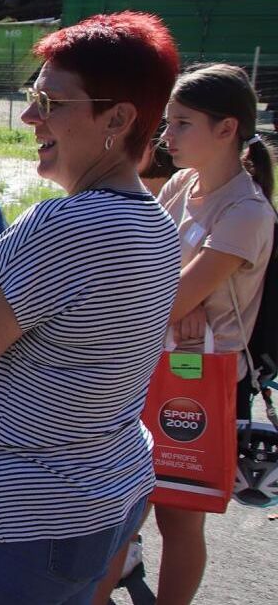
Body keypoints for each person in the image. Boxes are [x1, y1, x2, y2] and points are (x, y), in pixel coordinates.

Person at [0, 12, 182, 604]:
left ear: (117, 118)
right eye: (32, 96)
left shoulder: (63, 224)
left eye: (51, 102)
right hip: (108, 491)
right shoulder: (159, 226)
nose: (29, 116)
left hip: (21, 516)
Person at [107, 63, 275, 605]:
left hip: (202, 386)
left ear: (227, 129)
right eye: (167, 122)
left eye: (181, 124)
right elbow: (139, 266)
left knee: (178, 522)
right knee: (121, 509)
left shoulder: (247, 211)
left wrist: (176, 298)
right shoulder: (181, 184)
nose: (165, 137)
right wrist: (174, 297)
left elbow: (168, 295)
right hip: (149, 367)